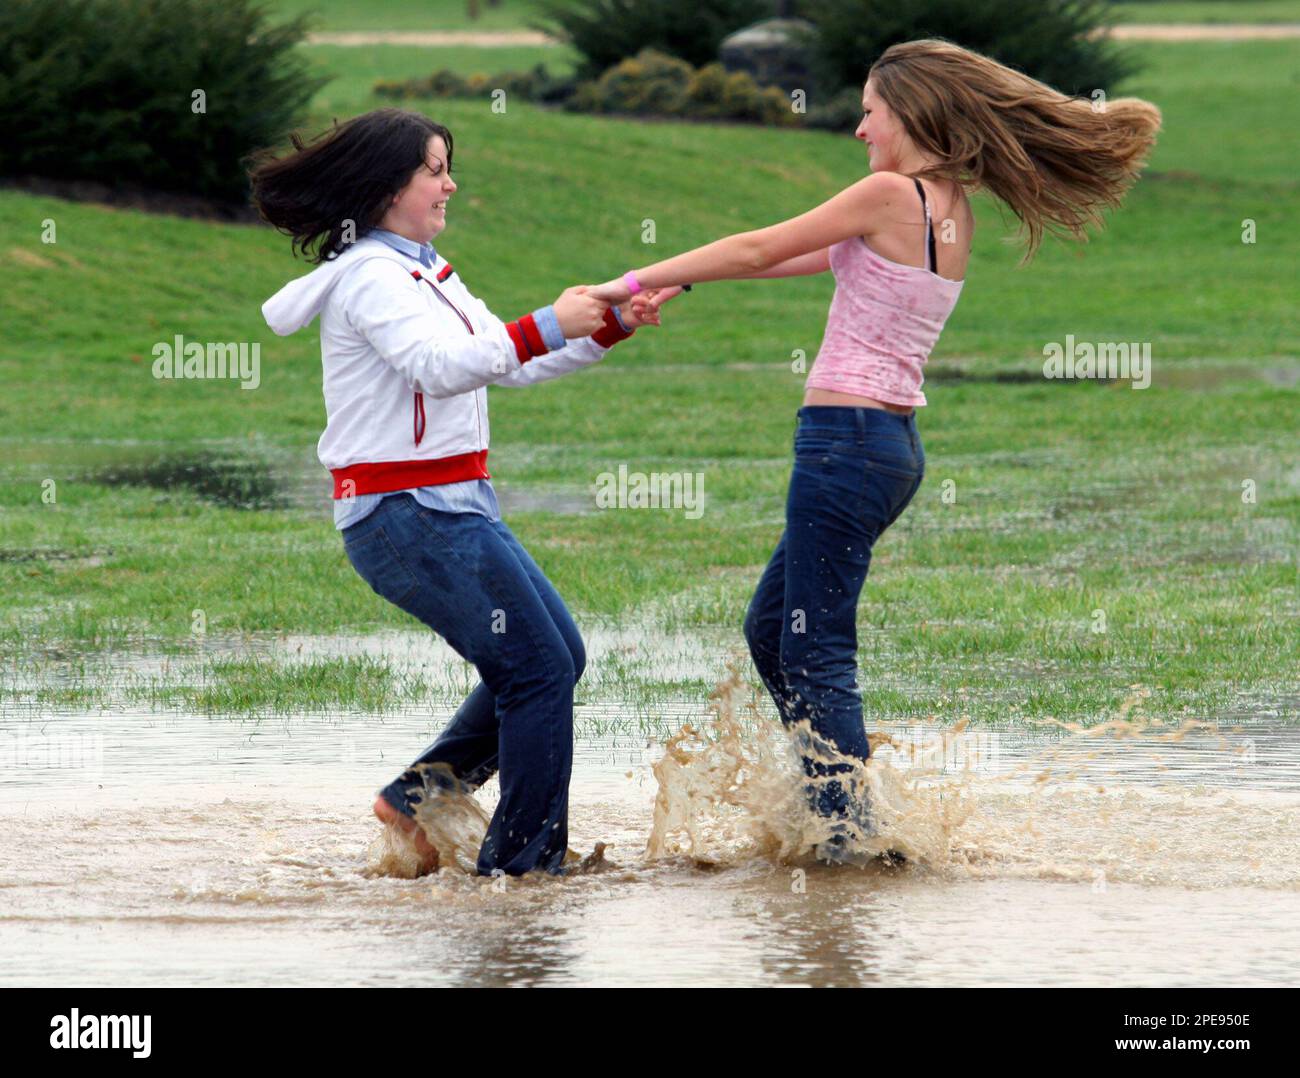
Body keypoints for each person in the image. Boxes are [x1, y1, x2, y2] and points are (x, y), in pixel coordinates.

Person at [587, 39, 1161, 862]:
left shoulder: (890, 194)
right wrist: (688, 280)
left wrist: (628, 281)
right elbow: (800, 258)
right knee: (770, 630)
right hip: (886, 448)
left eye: (870, 112)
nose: (860, 129)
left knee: (814, 643)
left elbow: (760, 243)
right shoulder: (947, 208)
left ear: (912, 114)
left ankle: (847, 839)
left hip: (844, 444)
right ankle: (829, 801)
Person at [251, 108, 663, 877]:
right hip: (406, 516)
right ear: (385, 187)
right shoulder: (372, 278)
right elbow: (441, 366)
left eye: (447, 166)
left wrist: (603, 326)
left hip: (452, 507)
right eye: (434, 169)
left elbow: (502, 362)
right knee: (536, 670)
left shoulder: (424, 269)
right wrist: (546, 321)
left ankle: (419, 803)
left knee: (557, 658)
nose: (450, 184)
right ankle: (523, 872)